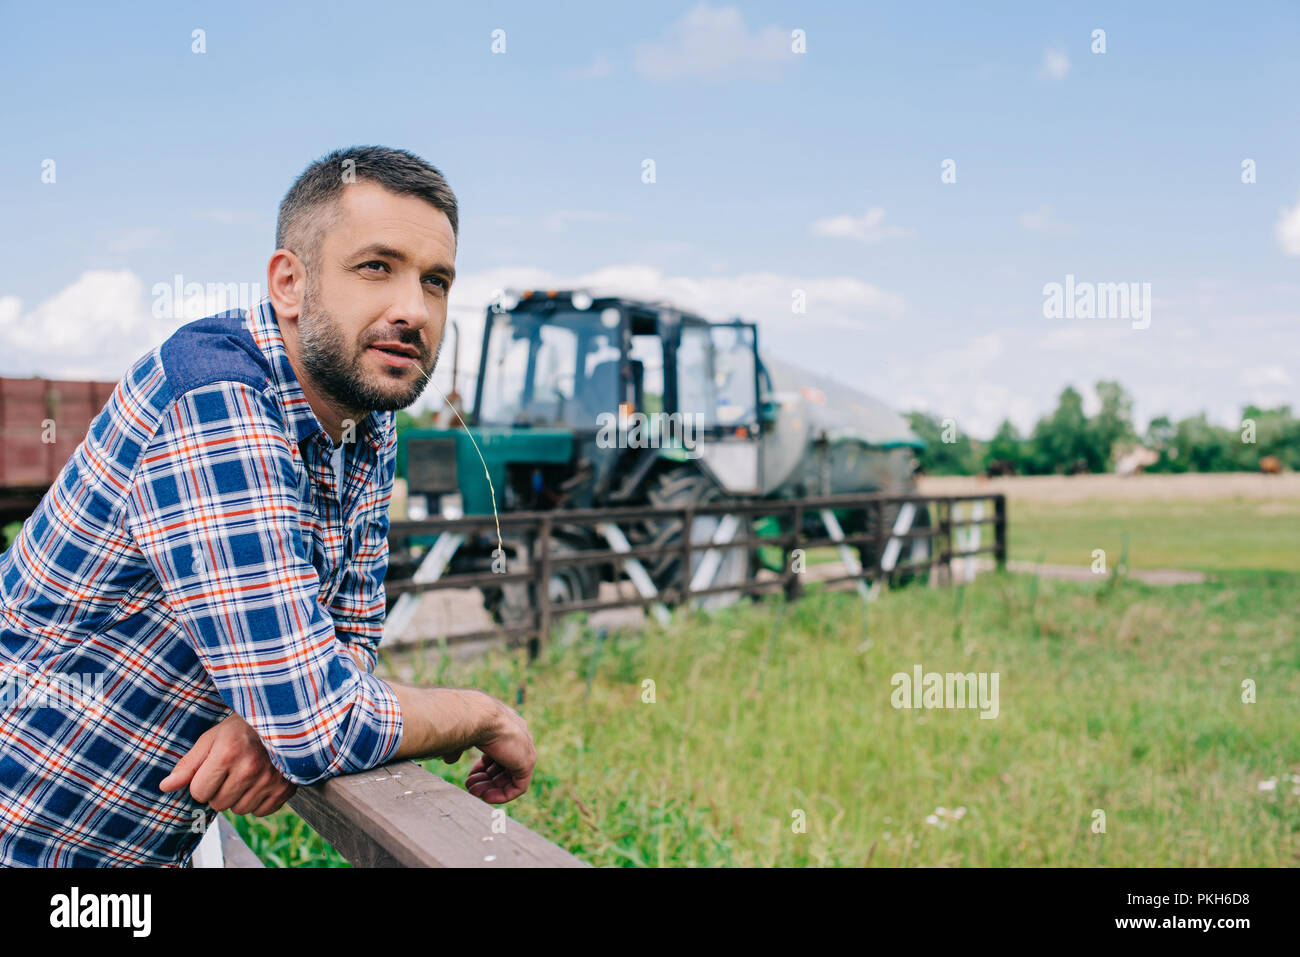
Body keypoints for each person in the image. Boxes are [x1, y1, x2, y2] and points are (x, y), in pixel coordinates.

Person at [0, 145, 536, 867]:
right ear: (289, 282)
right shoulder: (216, 400)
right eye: (376, 266)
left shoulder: (364, 422)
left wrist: (269, 718)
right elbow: (316, 718)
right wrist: (482, 711)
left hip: (152, 844)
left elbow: (344, 648)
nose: (413, 309)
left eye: (435, 281)